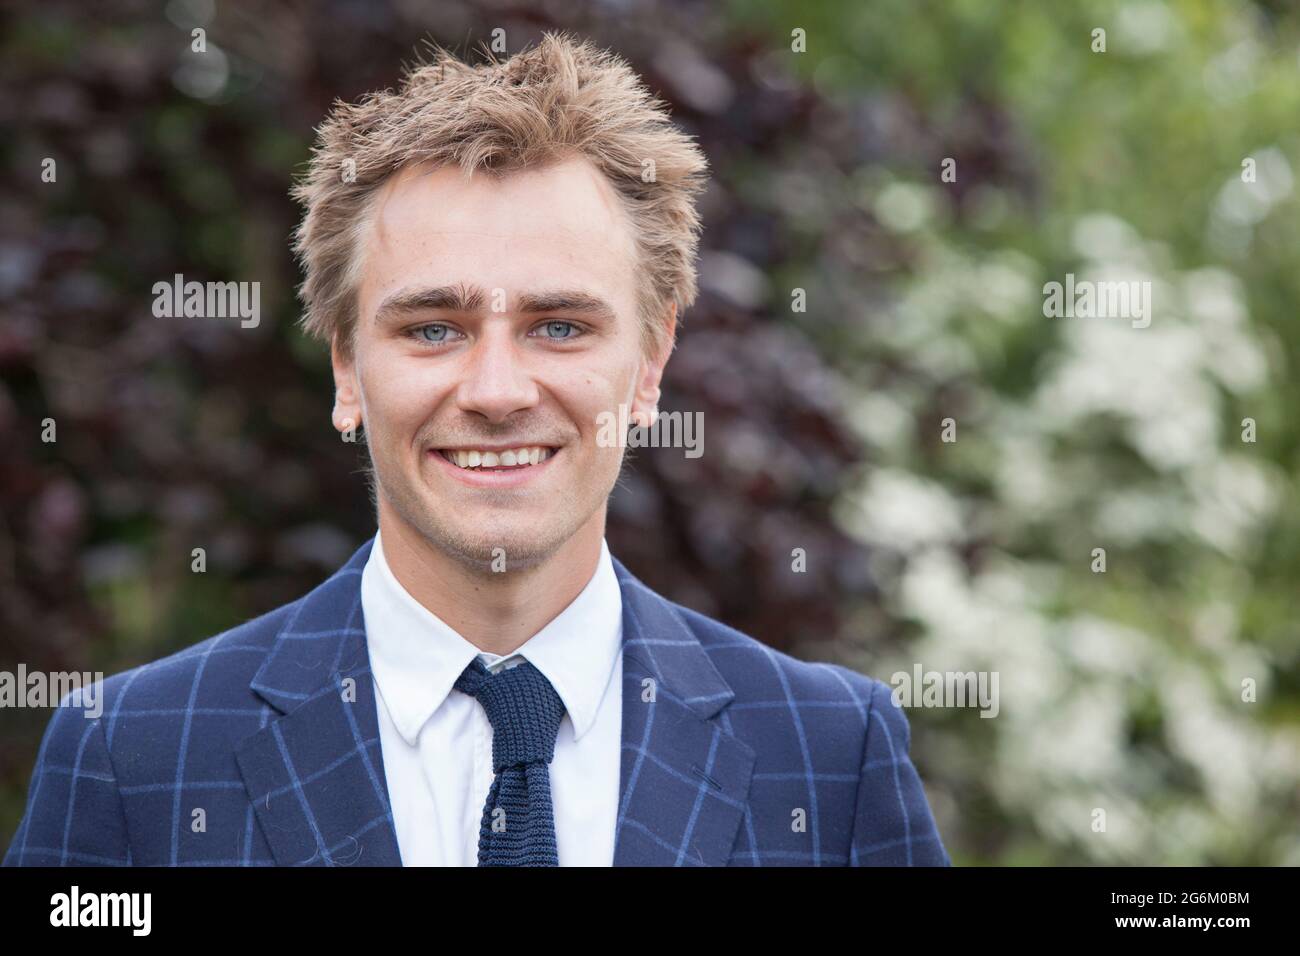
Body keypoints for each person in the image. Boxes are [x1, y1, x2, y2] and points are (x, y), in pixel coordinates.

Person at [3, 32, 949, 867]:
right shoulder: (135, 756)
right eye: (433, 330)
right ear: (345, 368)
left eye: (562, 327)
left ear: (651, 364)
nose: (497, 392)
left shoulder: (829, 753)